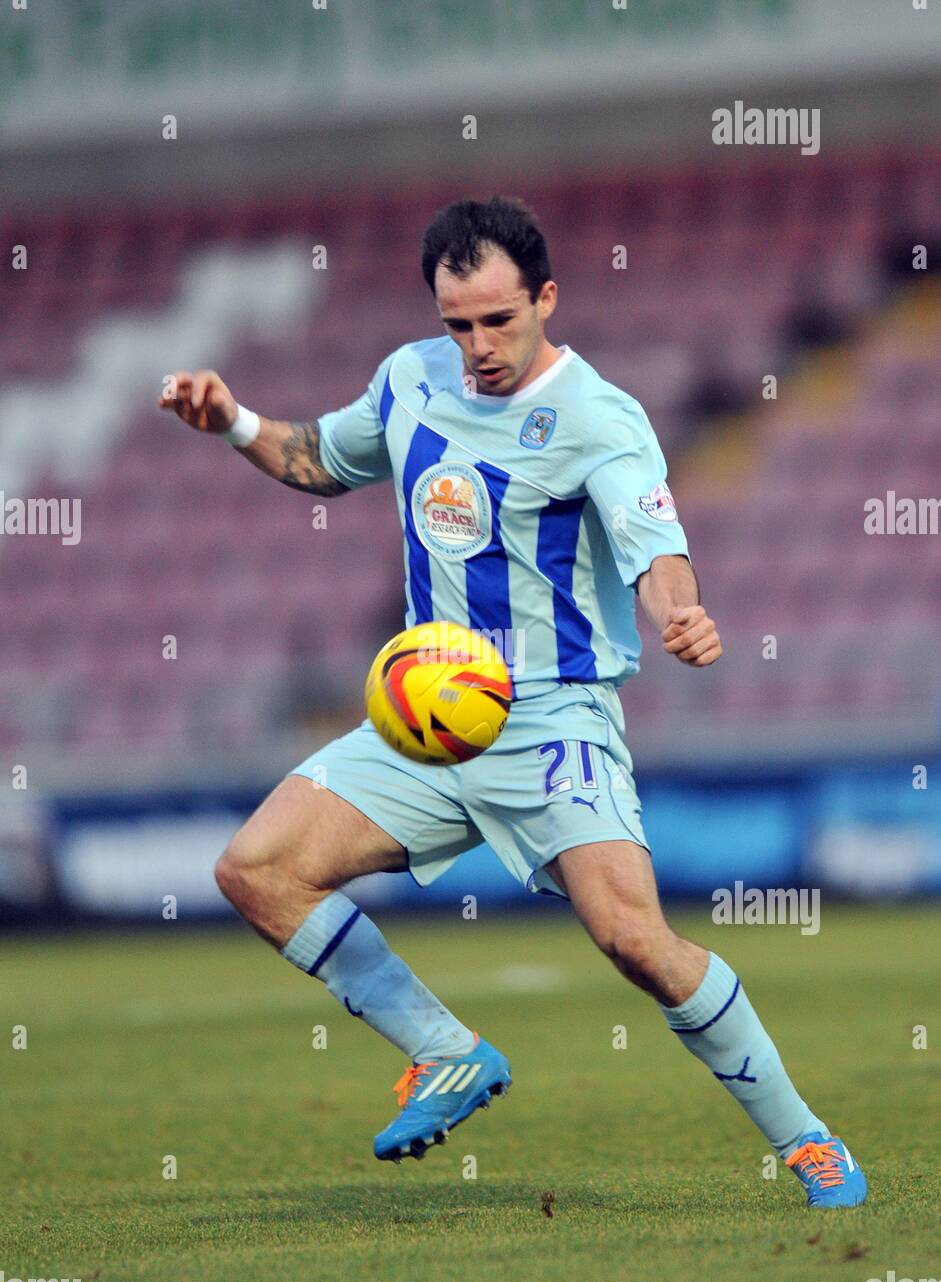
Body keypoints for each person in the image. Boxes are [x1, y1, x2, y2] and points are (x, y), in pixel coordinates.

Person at [159, 196, 866, 1207]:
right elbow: (317, 459)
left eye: (498, 319)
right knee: (255, 869)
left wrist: (682, 612)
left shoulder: (595, 415)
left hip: (550, 715)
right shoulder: (407, 381)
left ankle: (805, 1140)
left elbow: (653, 546)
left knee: (633, 940)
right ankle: (445, 1050)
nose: (478, 346)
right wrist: (228, 420)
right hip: (428, 717)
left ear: (544, 298)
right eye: (458, 324)